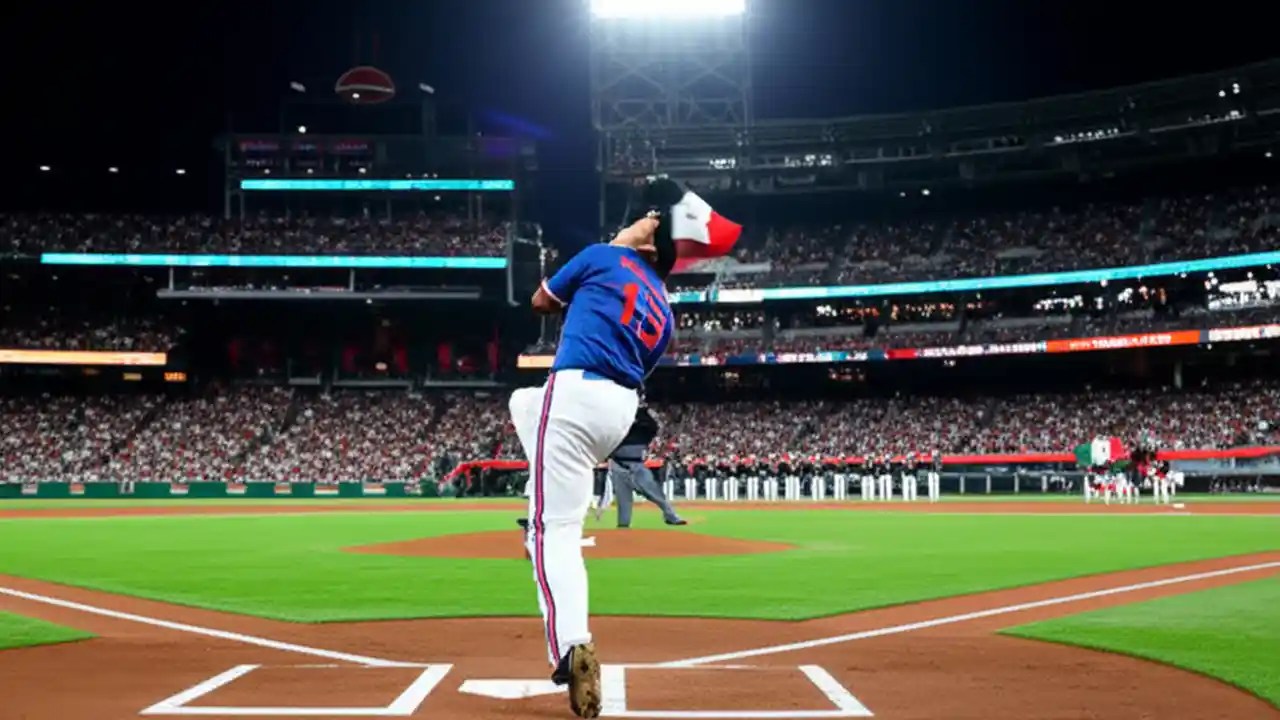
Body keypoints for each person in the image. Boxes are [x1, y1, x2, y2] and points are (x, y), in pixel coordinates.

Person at [508, 212, 674, 719]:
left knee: (550, 532)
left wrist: (580, 292)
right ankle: (543, 489)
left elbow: (538, 301)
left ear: (649, 248)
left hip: (576, 389)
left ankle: (571, 646)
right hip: (618, 409)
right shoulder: (664, 308)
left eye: (644, 224)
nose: (631, 225)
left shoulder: (604, 256)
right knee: (521, 401)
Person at [596, 401, 687, 527]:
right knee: (624, 501)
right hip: (620, 465)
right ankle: (623, 524)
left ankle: (671, 516)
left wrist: (640, 413)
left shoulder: (642, 425)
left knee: (655, 493)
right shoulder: (621, 422)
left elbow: (652, 427)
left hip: (635, 464)